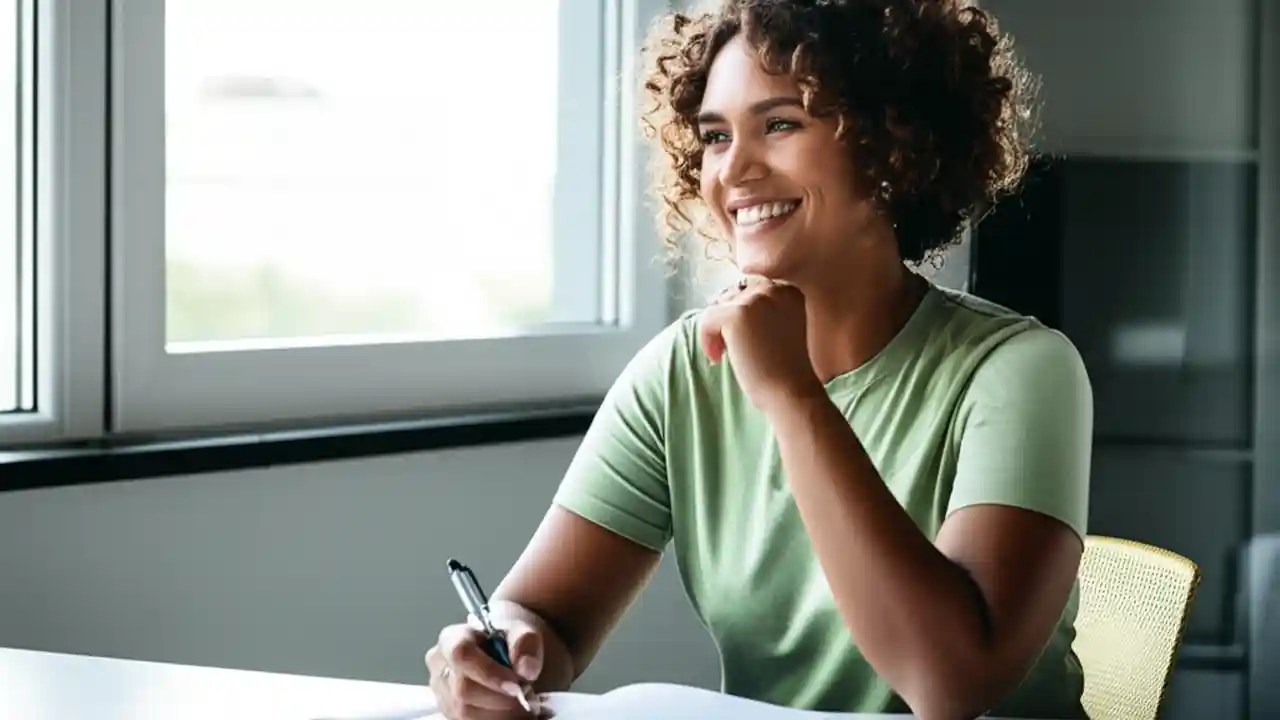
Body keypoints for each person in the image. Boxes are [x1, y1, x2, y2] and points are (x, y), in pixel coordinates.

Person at [425, 1, 1092, 718]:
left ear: (894, 141)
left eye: (780, 124)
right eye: (715, 137)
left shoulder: (1020, 370)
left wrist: (792, 396)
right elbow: (544, 615)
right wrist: (500, 651)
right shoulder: (684, 369)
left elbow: (950, 683)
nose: (733, 169)